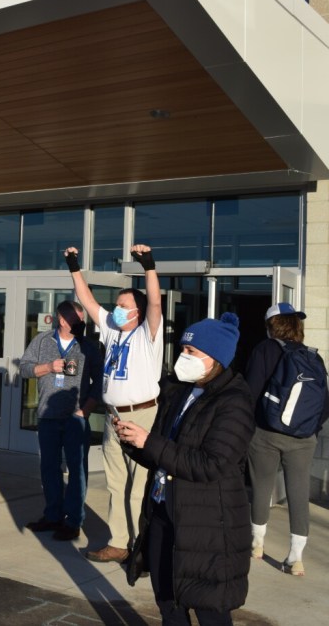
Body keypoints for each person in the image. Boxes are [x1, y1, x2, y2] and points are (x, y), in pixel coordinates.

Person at [119, 313, 254, 625]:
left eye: (192, 352)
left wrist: (149, 442)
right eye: (182, 349)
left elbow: (212, 464)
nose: (184, 356)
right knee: (169, 606)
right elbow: (165, 453)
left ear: (216, 358)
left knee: (210, 611)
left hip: (207, 526)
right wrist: (133, 442)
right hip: (164, 514)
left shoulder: (235, 402)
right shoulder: (179, 390)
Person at [64, 244, 164, 563]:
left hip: (142, 416)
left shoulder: (148, 334)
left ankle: (141, 546)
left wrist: (148, 266)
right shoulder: (111, 331)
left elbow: (156, 302)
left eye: (123, 305)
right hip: (114, 418)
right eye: (117, 305)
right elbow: (87, 300)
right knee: (116, 484)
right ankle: (119, 542)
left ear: (137, 311)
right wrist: (74, 266)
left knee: (139, 487)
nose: (117, 309)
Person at [244, 303, 329, 577]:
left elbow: (251, 392)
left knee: (262, 487)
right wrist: (310, 430)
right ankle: (296, 558)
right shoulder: (312, 356)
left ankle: (257, 545)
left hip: (266, 433)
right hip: (304, 438)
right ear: (296, 326)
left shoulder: (264, 349)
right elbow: (325, 403)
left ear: (270, 326)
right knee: (298, 493)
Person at [18, 301, 102, 540]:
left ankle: (74, 521)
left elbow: (101, 382)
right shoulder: (43, 341)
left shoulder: (88, 346)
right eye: (76, 320)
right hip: (48, 416)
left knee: (77, 471)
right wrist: (47, 367)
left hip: (76, 419)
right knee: (49, 468)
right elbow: (24, 369)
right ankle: (53, 515)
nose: (81, 324)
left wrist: (85, 411)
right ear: (62, 320)